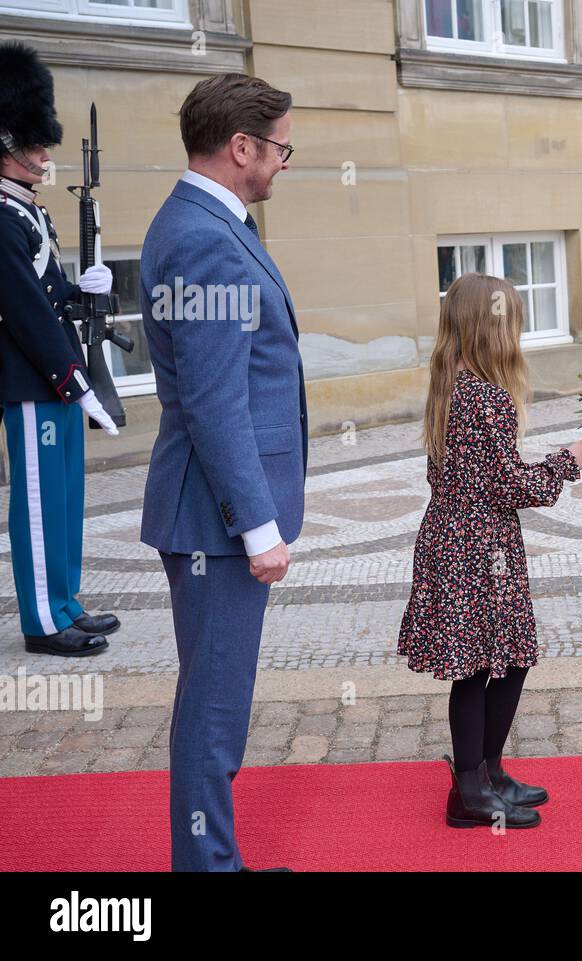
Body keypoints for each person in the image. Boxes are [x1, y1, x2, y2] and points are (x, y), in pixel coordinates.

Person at [139, 73, 305, 871]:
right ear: (240, 147)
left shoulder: (202, 221)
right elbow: (213, 403)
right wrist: (260, 525)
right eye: (278, 148)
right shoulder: (205, 235)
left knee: (214, 706)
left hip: (212, 511)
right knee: (212, 712)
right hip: (217, 518)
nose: (282, 163)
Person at [397, 273, 582, 830]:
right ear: (492, 326)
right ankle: (468, 788)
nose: (517, 331)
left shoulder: (454, 383)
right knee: (475, 668)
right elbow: (511, 485)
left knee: (510, 660)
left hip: (467, 542)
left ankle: (489, 772)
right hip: (473, 548)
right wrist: (572, 461)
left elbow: (485, 476)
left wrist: (568, 456)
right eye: (511, 320)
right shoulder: (484, 395)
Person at [0, 41, 121, 657]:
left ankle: (65, 601)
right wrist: (76, 382)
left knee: (66, 496)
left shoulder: (26, 212)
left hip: (52, 378)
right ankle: (43, 620)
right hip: (31, 381)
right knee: (41, 504)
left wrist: (83, 291)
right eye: (34, 141)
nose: (44, 152)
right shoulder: (0, 217)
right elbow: (22, 312)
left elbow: (48, 296)